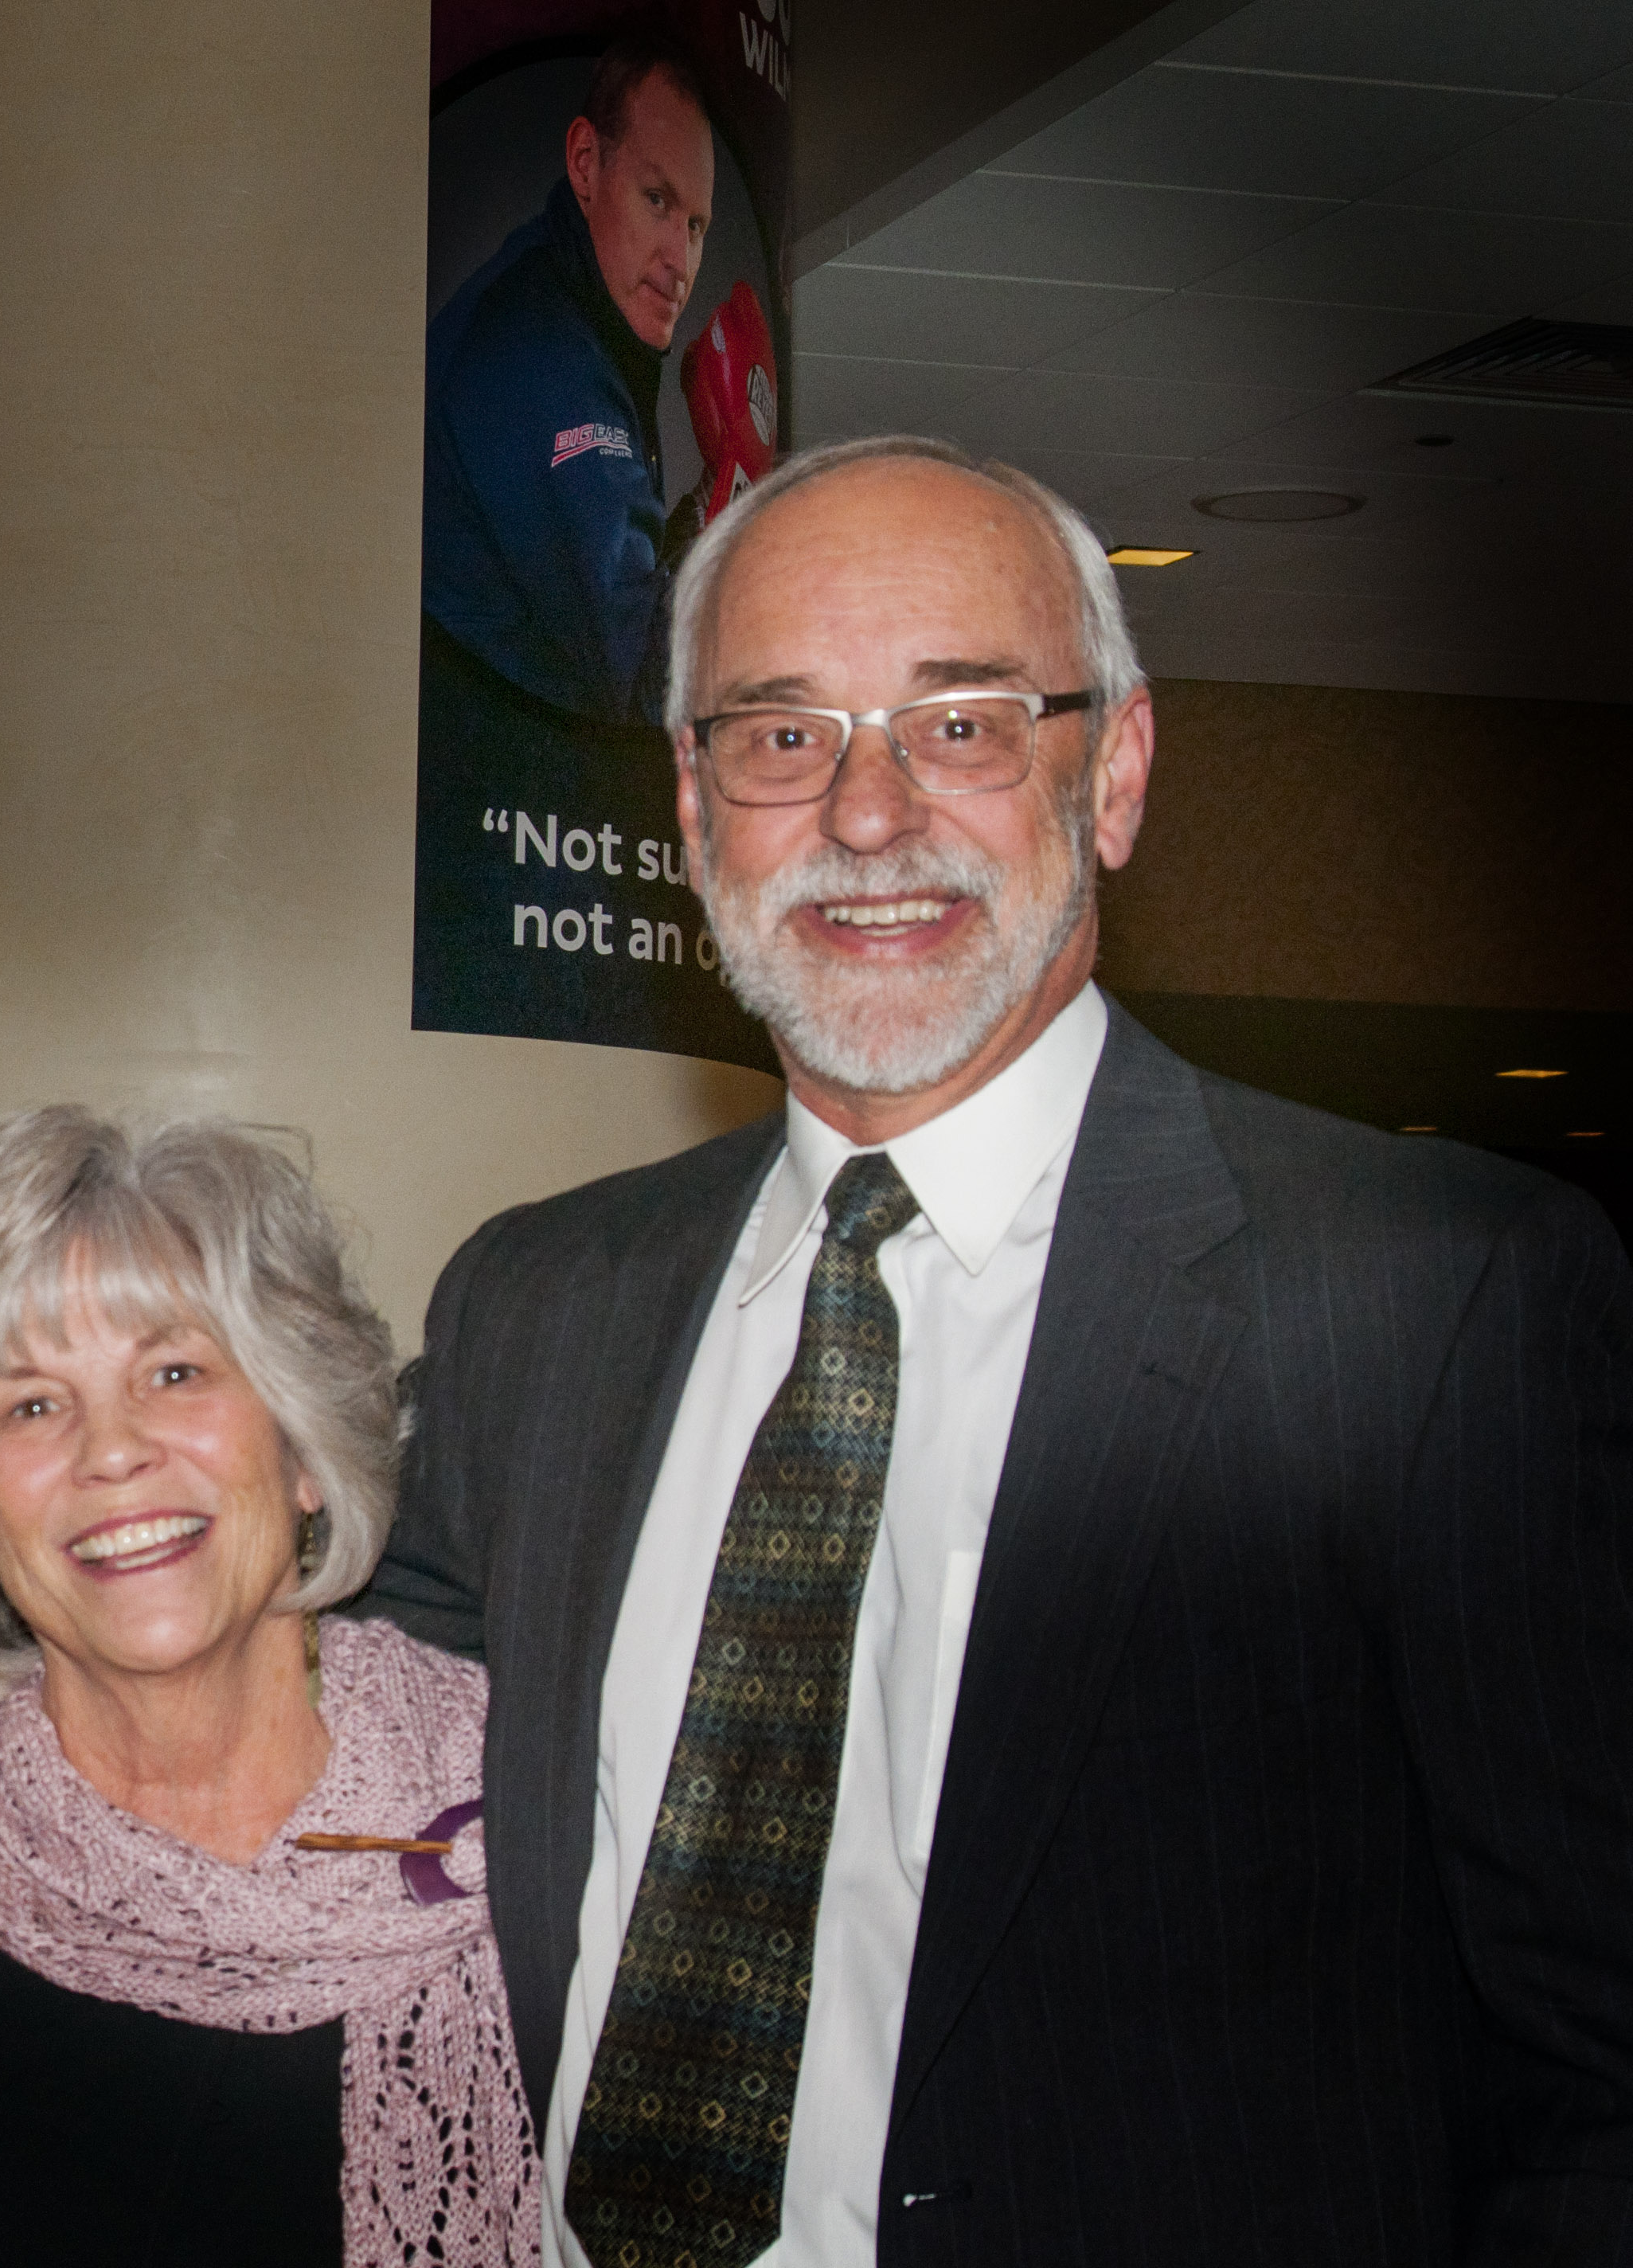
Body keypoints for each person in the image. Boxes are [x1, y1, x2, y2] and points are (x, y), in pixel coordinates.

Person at [368, 433, 1633, 2265]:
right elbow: (332, 1784)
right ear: (693, 803)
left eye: (956, 723)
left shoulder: (1431, 1303)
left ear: (1108, 769)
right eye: (781, 734)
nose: (865, 816)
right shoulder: (533, 1306)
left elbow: (1594, 2055)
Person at [0, 1109, 547, 2268]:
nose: (111, 1450)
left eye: (175, 1371)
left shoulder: (542, 1828)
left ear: (307, 1452)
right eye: (31, 1404)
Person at [416, 29, 723, 1038]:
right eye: (655, 201)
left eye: (697, 224)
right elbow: (639, 680)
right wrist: (727, 510)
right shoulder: (541, 359)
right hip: (492, 882)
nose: (679, 257)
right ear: (585, 166)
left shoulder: (571, 318)